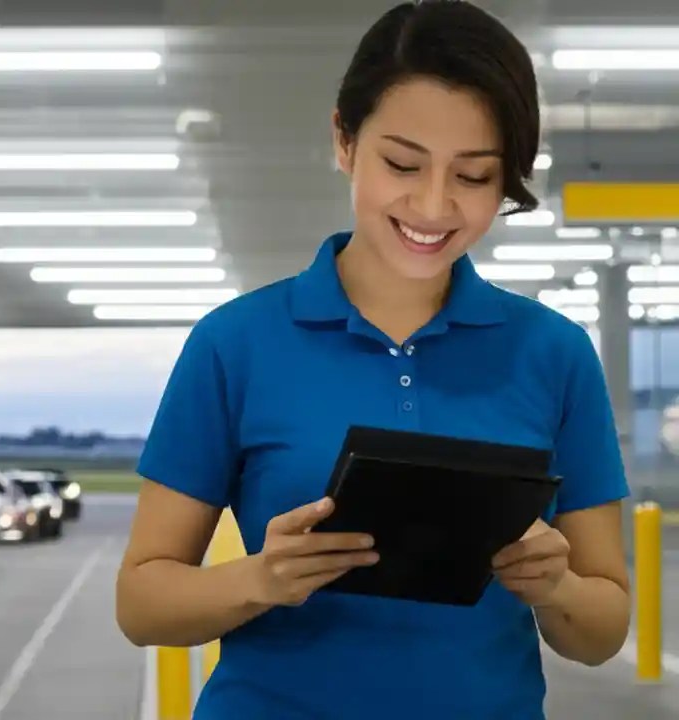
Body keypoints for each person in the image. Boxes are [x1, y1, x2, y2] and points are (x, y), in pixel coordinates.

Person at [115, 2, 632, 718]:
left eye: (475, 176)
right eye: (401, 163)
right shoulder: (234, 344)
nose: (433, 204)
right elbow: (142, 602)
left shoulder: (554, 353)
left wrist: (559, 588)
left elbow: (603, 630)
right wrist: (263, 578)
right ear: (344, 140)